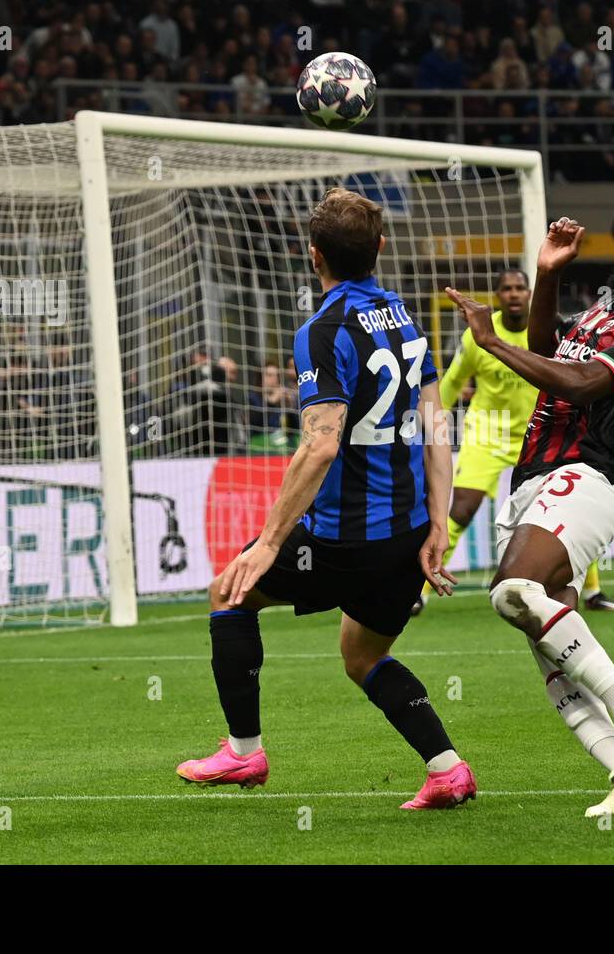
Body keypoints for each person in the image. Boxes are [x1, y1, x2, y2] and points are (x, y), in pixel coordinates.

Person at [176, 187, 475, 810]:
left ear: (314, 256)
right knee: (362, 653)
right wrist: (439, 525)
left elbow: (320, 445)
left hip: (343, 536)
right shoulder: (406, 318)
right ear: (381, 249)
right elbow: (438, 424)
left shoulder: (322, 330)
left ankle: (242, 753)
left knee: (230, 590)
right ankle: (447, 769)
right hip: (407, 529)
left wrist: (268, 544)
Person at [445, 202, 614, 817]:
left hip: (587, 473)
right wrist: (548, 276)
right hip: (535, 474)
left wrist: (488, 340)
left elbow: (581, 383)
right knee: (547, 651)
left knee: (514, 590)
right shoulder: (609, 304)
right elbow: (549, 354)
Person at [414, 269, 614, 615]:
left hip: (541, 433)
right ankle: (420, 591)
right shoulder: (478, 335)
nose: (513, 294)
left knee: (566, 511)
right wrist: (431, 426)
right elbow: (450, 385)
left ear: (529, 293)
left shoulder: (547, 333)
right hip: (487, 432)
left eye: (520, 288)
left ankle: (594, 591)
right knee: (462, 508)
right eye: (506, 289)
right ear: (498, 296)